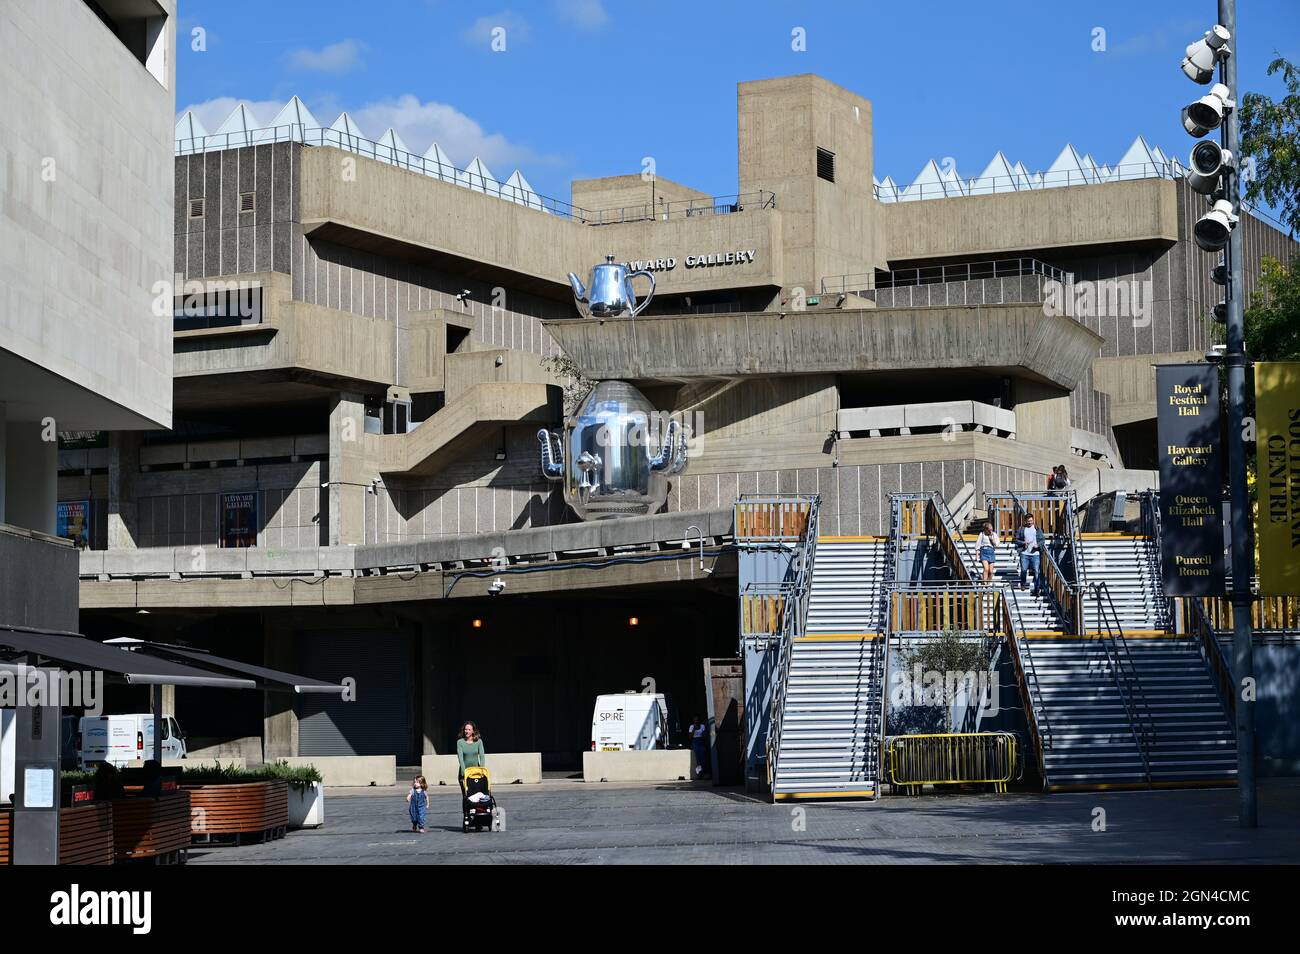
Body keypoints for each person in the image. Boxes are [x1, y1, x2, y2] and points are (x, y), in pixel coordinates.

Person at [1015, 514, 1042, 596]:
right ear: (1025, 521)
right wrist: (1023, 543)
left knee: (1037, 572)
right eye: (1028, 521)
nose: (1030, 522)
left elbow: (1042, 540)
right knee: (1023, 570)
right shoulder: (1022, 529)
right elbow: (1016, 540)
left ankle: (1037, 589)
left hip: (1035, 554)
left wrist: (1038, 545)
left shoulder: (1037, 529)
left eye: (1031, 521)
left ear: (1033, 520)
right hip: (1024, 553)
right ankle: (1023, 584)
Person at [456, 721, 485, 788]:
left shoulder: (479, 741)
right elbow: (460, 758)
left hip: (476, 772)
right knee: (466, 796)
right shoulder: (460, 742)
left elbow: (482, 756)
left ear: (473, 731)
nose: (467, 731)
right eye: (465, 729)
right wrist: (464, 772)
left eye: (469, 730)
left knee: (476, 794)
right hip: (464, 772)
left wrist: (482, 770)